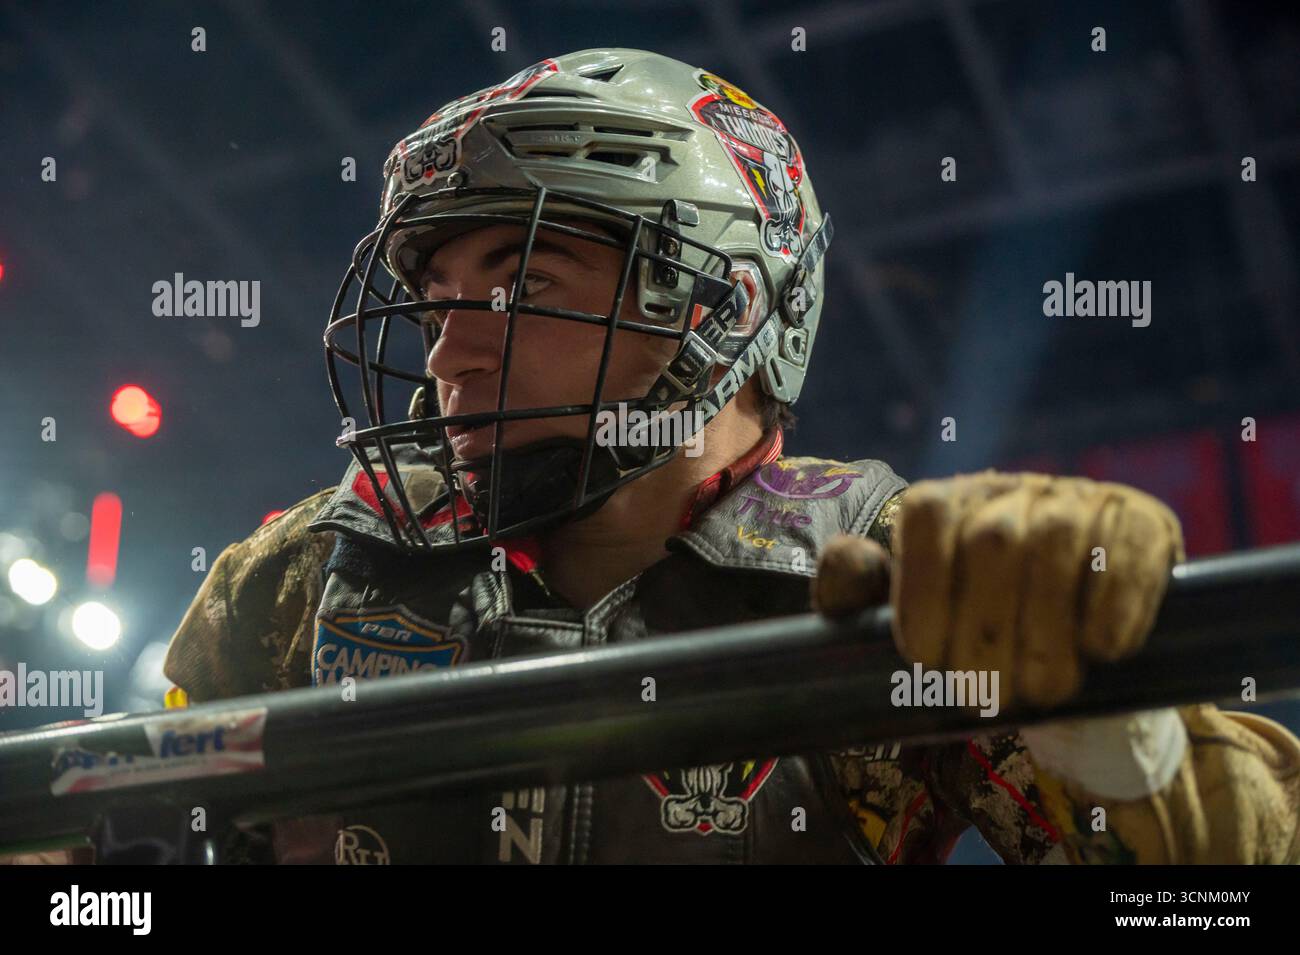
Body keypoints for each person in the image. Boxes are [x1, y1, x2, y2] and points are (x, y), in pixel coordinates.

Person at [164, 48, 1300, 865]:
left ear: (720, 304)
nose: (450, 347)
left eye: (520, 287)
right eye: (436, 300)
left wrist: (1122, 730)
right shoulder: (309, 568)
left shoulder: (893, 578)